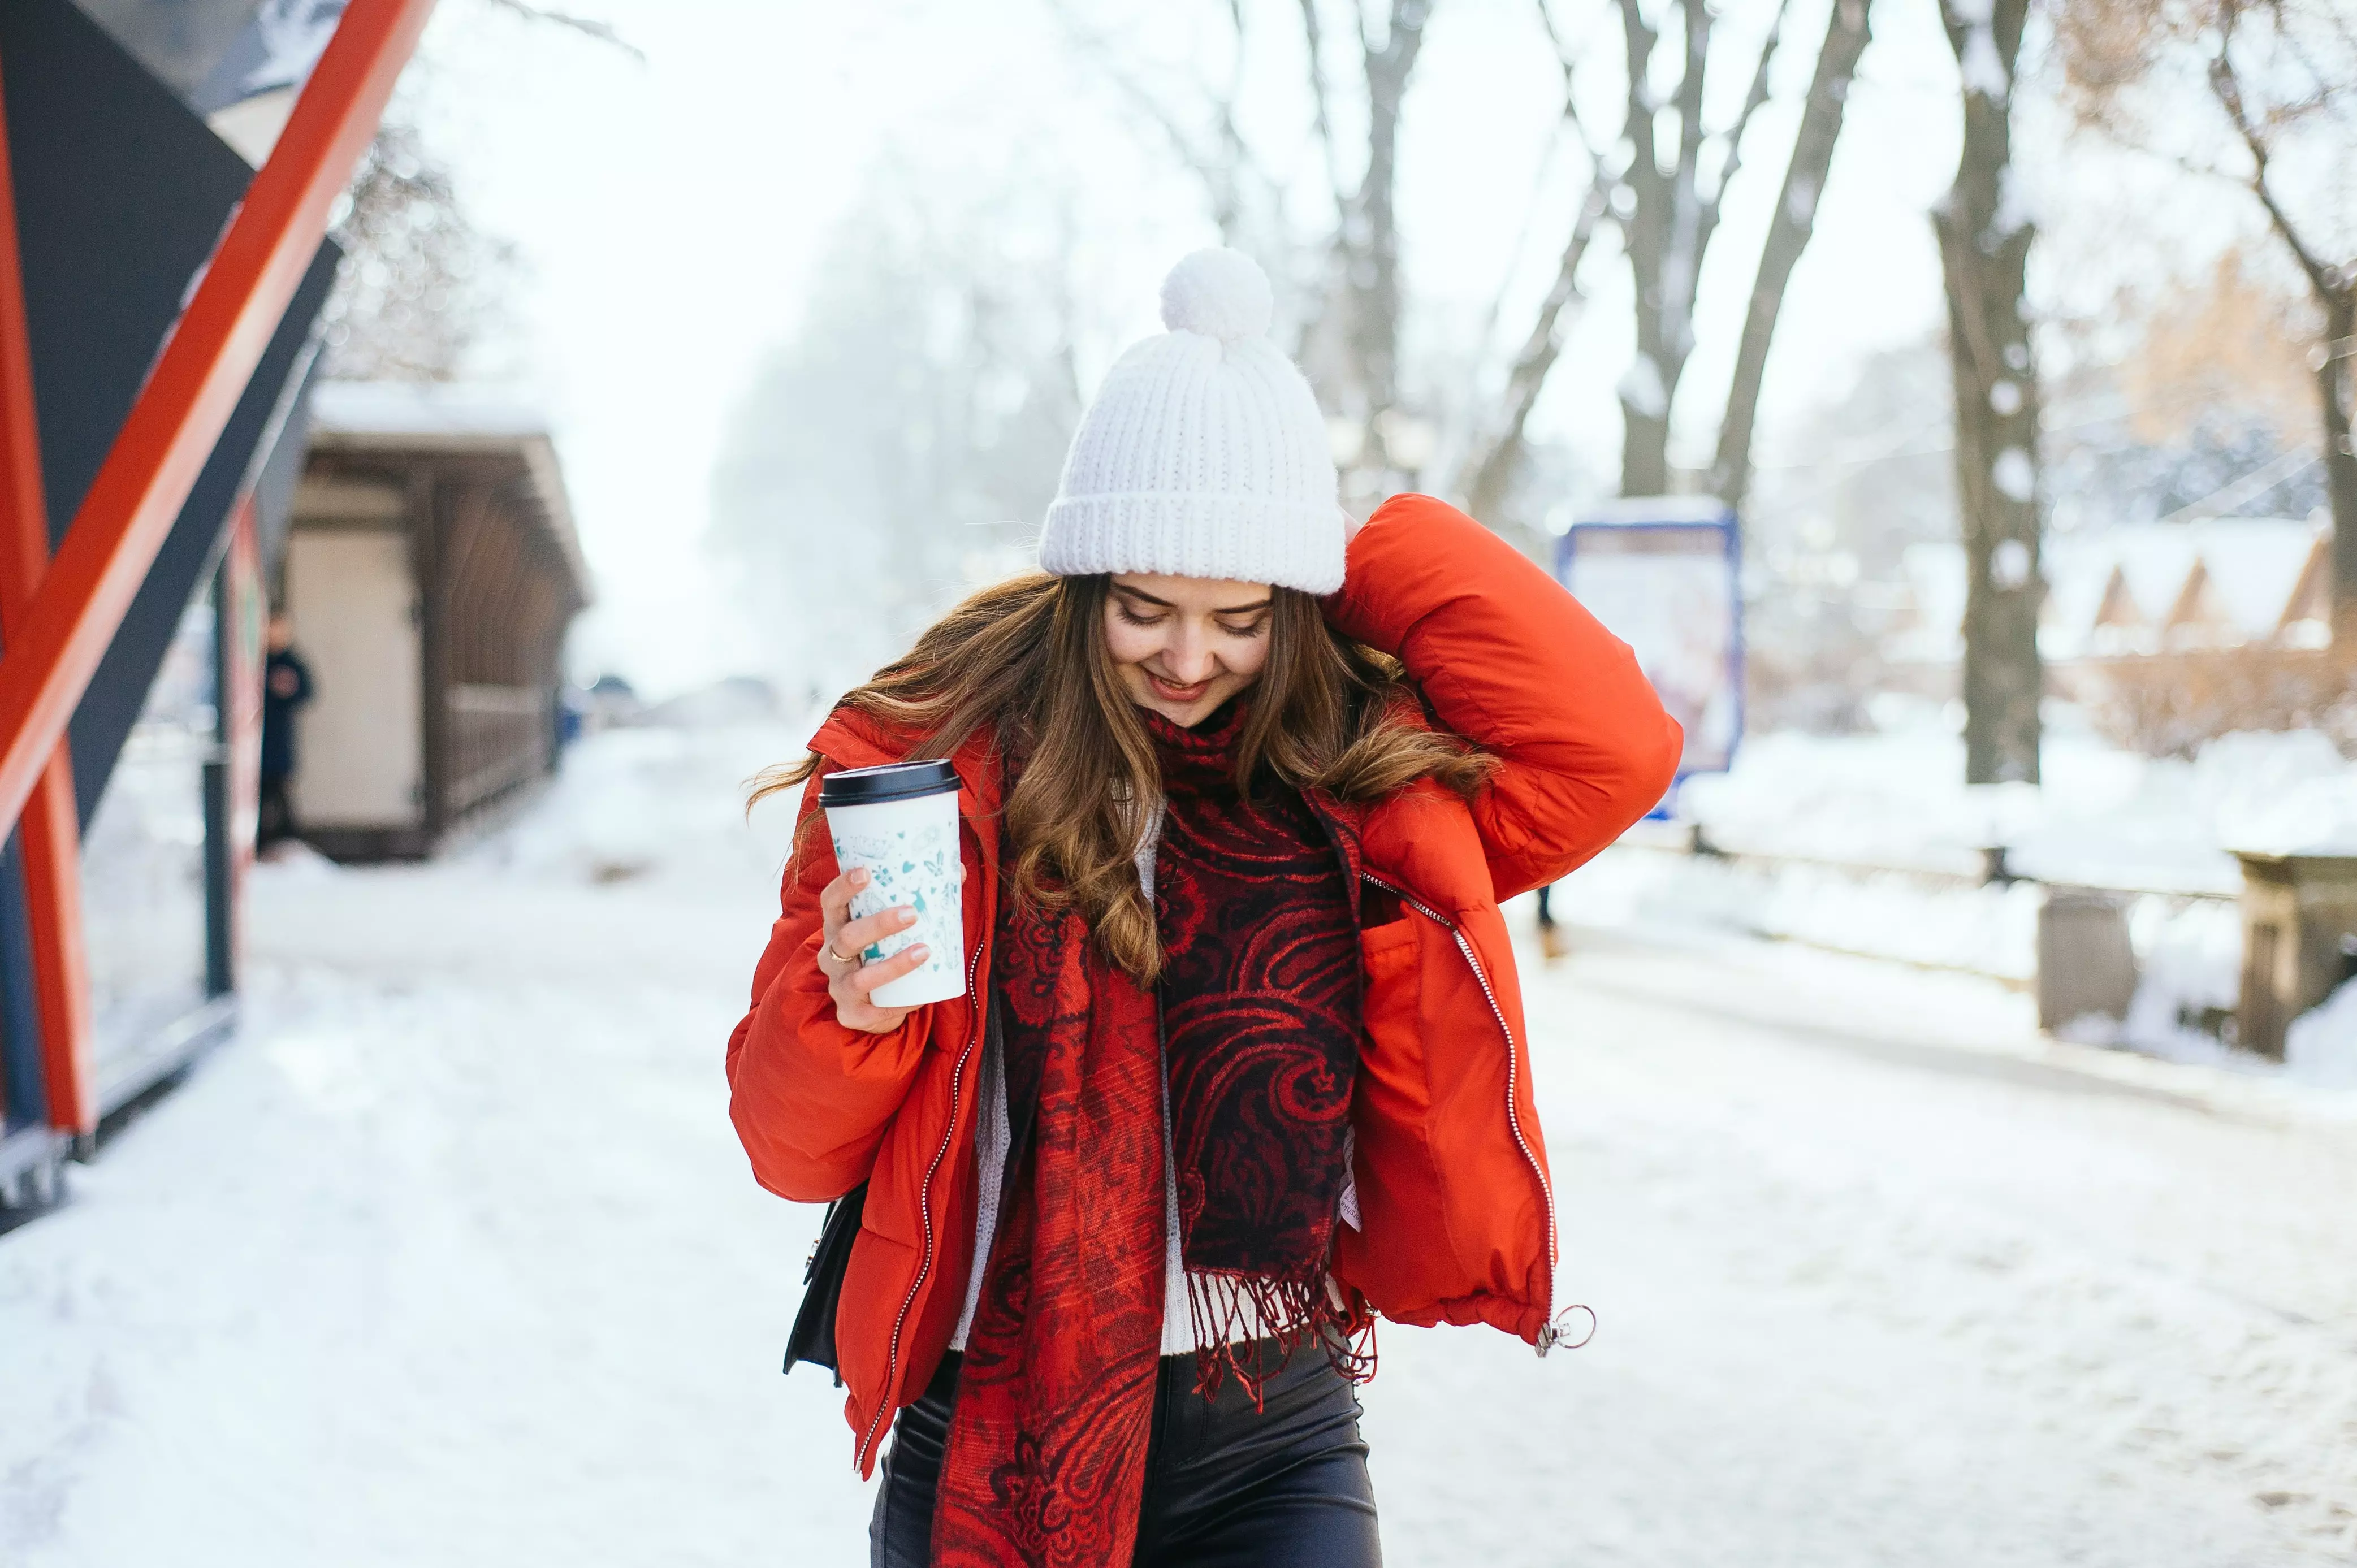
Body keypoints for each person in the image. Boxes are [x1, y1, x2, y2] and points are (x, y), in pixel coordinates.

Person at [726, 249, 1681, 1568]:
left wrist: (1346, 538)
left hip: (1269, 1418)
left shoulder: (1361, 787)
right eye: (1142, 608)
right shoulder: (928, 768)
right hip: (988, 1413)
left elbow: (1613, 745)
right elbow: (788, 1149)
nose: (1188, 659)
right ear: (1081, 587)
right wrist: (848, 1010)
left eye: (1239, 615)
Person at [258, 610, 312, 853]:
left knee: (280, 792)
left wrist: (290, 688)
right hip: (257, 738)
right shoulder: (258, 659)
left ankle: (288, 841)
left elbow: (308, 693)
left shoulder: (292, 661)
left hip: (279, 740)